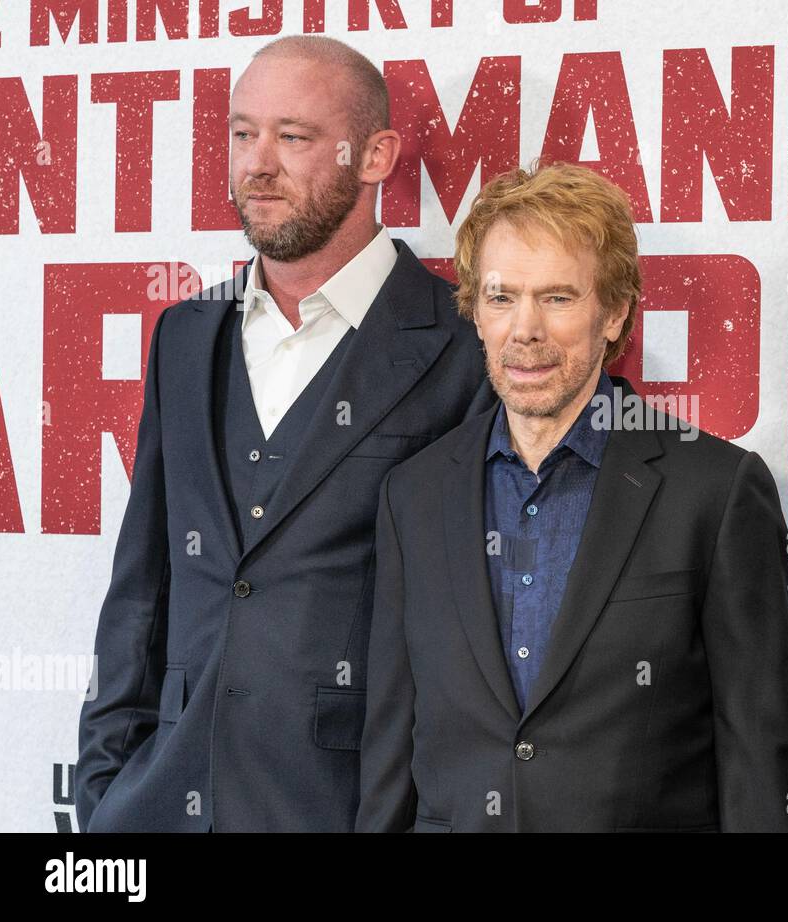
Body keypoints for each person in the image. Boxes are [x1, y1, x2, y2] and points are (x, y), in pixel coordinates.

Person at [76, 35, 491, 832]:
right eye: (242, 133)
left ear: (375, 155)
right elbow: (142, 585)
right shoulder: (186, 336)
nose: (256, 165)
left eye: (293, 137)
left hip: (341, 808)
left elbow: (470, 636)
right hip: (156, 808)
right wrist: (105, 790)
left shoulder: (462, 346)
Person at [356, 162, 788, 832]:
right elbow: (391, 751)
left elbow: (758, 764)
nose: (526, 330)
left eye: (559, 298)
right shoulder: (413, 495)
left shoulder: (714, 491)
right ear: (476, 311)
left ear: (614, 311)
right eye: (502, 297)